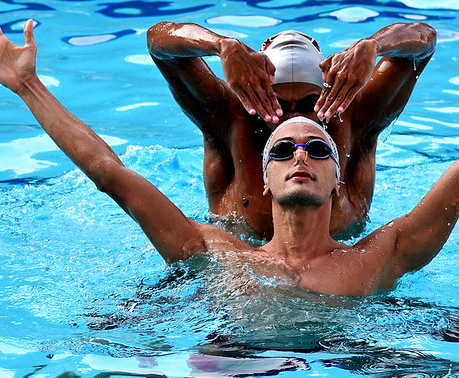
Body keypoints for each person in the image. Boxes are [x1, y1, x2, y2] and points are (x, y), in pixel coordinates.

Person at [0, 0, 459, 297]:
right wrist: (26, 87)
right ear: (261, 165)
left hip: (361, 342)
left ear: (341, 172)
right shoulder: (212, 250)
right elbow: (108, 170)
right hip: (228, 339)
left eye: (316, 146)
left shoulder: (385, 251)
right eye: (282, 148)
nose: (300, 153)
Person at [147, 20, 437, 239]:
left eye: (310, 102)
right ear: (253, 94)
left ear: (331, 93)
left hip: (344, 277)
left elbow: (423, 42)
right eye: (277, 104)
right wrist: (221, 45)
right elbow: (159, 44)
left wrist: (373, 45)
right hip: (236, 279)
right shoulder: (230, 118)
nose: (293, 119)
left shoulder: (354, 118)